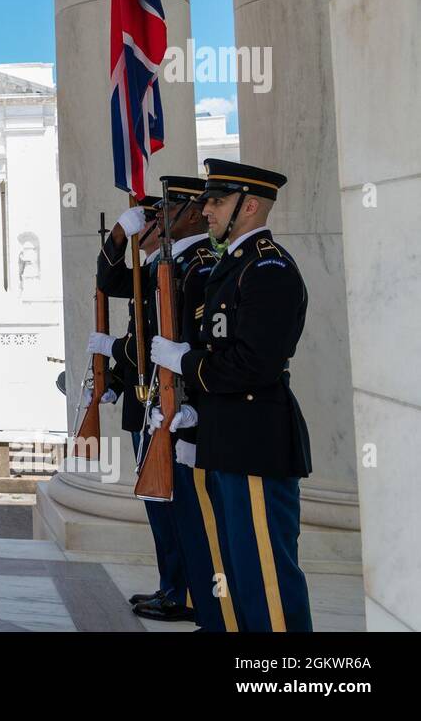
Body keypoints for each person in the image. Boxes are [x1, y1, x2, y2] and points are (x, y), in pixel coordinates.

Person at [151, 159, 313, 632]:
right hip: (228, 439)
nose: (207, 212)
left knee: (266, 574)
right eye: (207, 202)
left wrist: (183, 361)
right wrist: (192, 417)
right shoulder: (234, 266)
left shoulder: (268, 269)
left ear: (251, 205)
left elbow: (252, 365)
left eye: (218, 202)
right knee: (239, 569)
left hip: (255, 441)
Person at [88, 196, 192, 622]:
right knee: (159, 506)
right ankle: (172, 587)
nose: (147, 226)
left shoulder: (187, 266)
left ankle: (183, 593)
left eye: (156, 217)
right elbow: (108, 279)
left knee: (175, 505)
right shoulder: (152, 269)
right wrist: (117, 234)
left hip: (167, 404)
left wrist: (115, 349)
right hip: (144, 400)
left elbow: (156, 341)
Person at [143, 176, 238, 632]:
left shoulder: (201, 267)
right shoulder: (177, 265)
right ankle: (196, 603)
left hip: (194, 414)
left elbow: (207, 346)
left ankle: (211, 610)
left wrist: (192, 412)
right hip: (171, 406)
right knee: (179, 516)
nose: (156, 222)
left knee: (202, 526)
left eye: (162, 212)